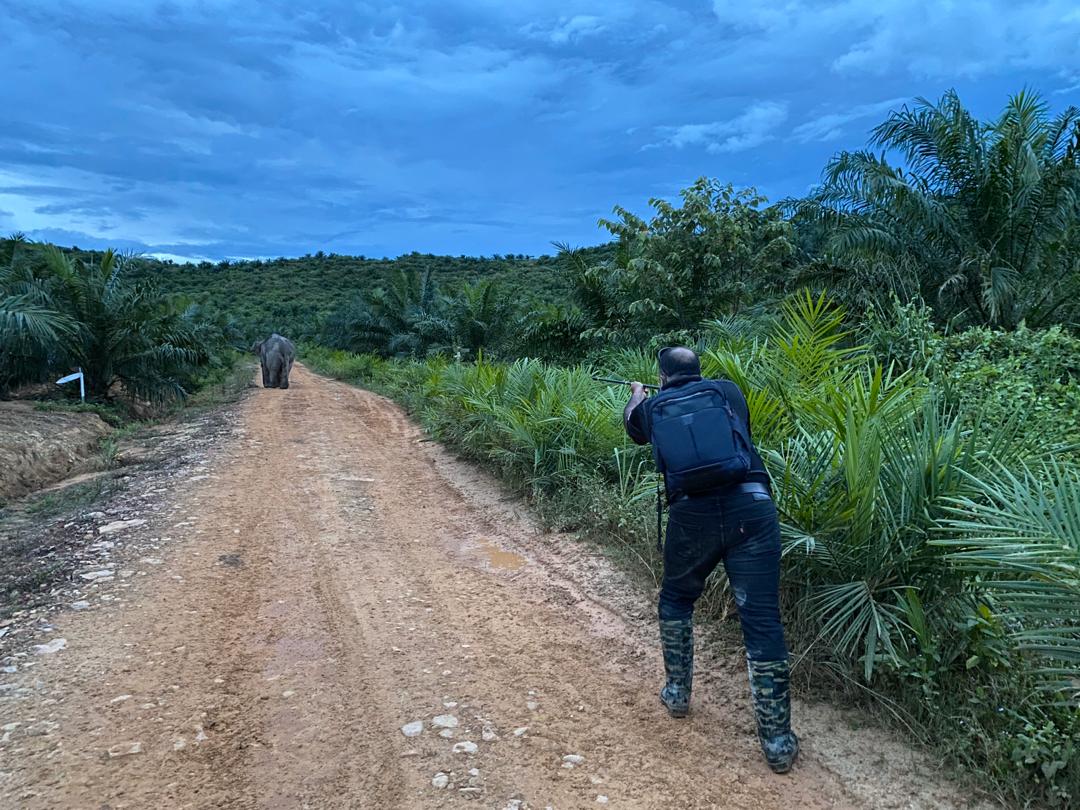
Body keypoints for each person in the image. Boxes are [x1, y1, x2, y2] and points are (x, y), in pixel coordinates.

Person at [623, 346, 799, 774]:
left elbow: (635, 429)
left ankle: (678, 695)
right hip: (752, 510)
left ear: (662, 377)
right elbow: (741, 432)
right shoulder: (727, 391)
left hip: (692, 516)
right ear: (698, 371)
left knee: (677, 600)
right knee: (762, 621)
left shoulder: (653, 405)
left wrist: (637, 394)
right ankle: (776, 743)